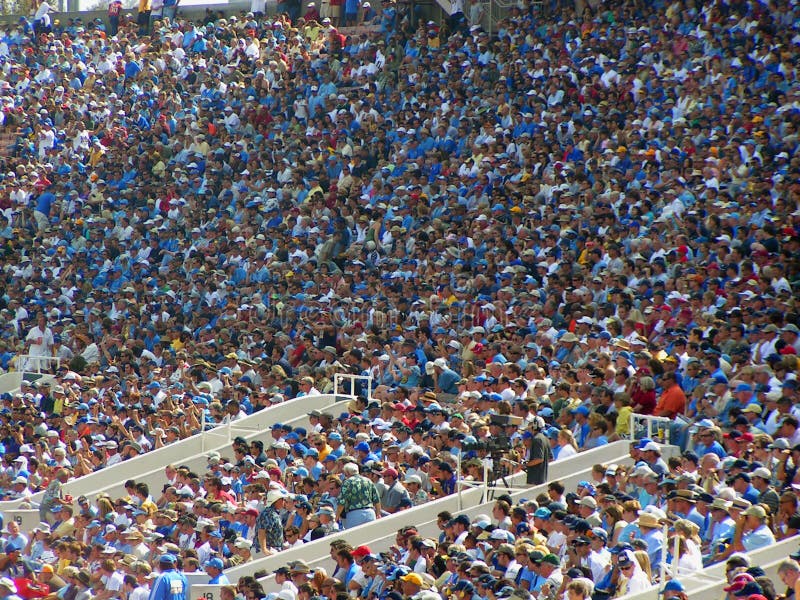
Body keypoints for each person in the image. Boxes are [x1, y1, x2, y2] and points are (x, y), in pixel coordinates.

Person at [336, 463, 382, 529]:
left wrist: (336, 517)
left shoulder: (347, 482)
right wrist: (378, 514)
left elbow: (342, 502)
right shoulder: (368, 481)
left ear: (347, 472)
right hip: (370, 513)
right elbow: (376, 499)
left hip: (354, 514)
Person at [523, 418, 552, 485]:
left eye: (530, 425)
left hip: (535, 480)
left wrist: (525, 465)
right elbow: (550, 458)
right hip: (542, 478)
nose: (529, 428)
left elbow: (539, 459)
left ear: (535, 426)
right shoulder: (545, 439)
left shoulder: (537, 439)